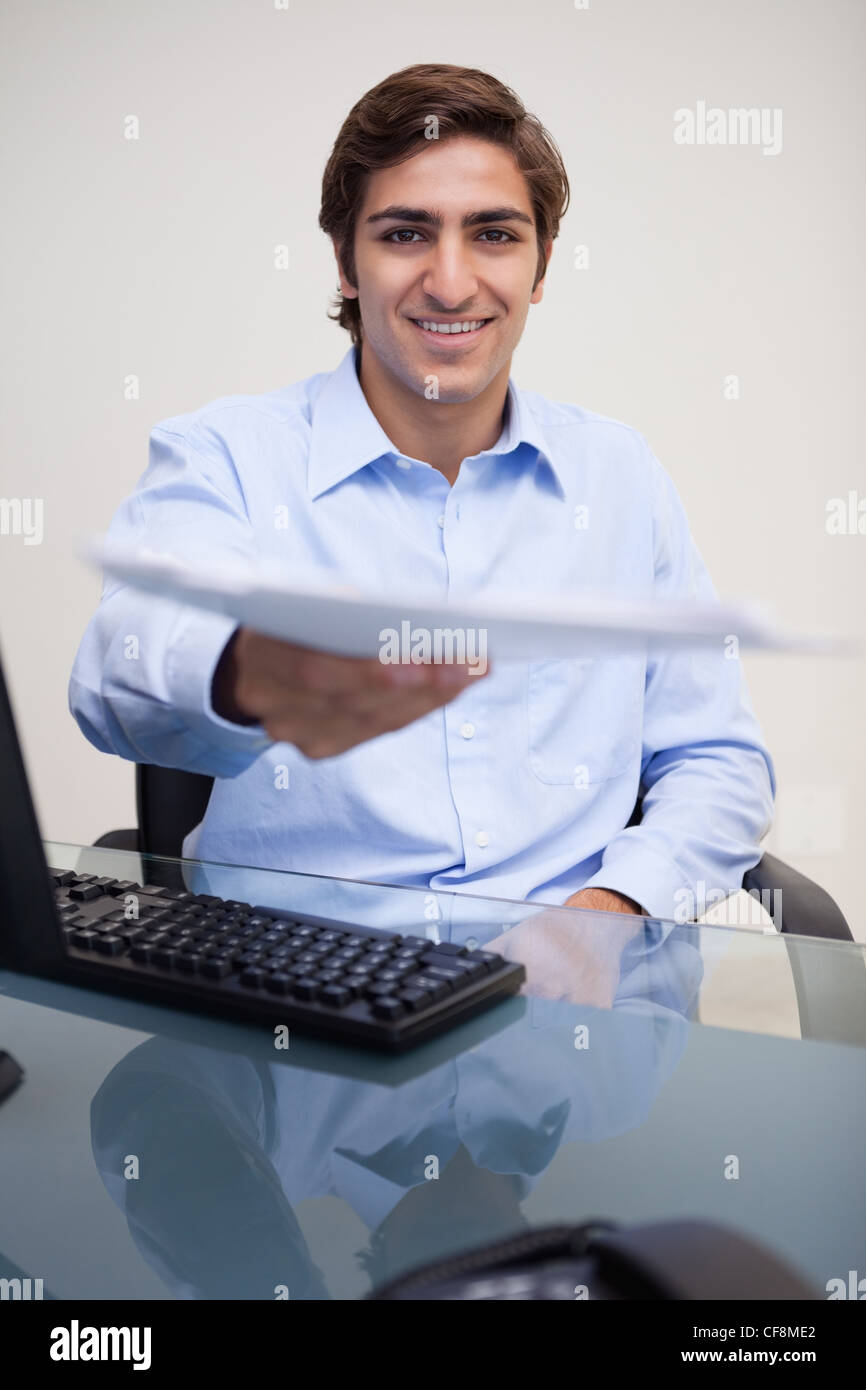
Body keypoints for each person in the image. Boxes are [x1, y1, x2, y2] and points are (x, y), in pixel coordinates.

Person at [69, 63, 775, 994]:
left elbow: (716, 760)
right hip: (293, 1008)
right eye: (406, 233)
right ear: (343, 261)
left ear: (542, 263)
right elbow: (117, 678)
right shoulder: (226, 457)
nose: (451, 283)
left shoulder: (621, 476)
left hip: (570, 1017)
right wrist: (254, 668)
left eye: (493, 234)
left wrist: (613, 912)